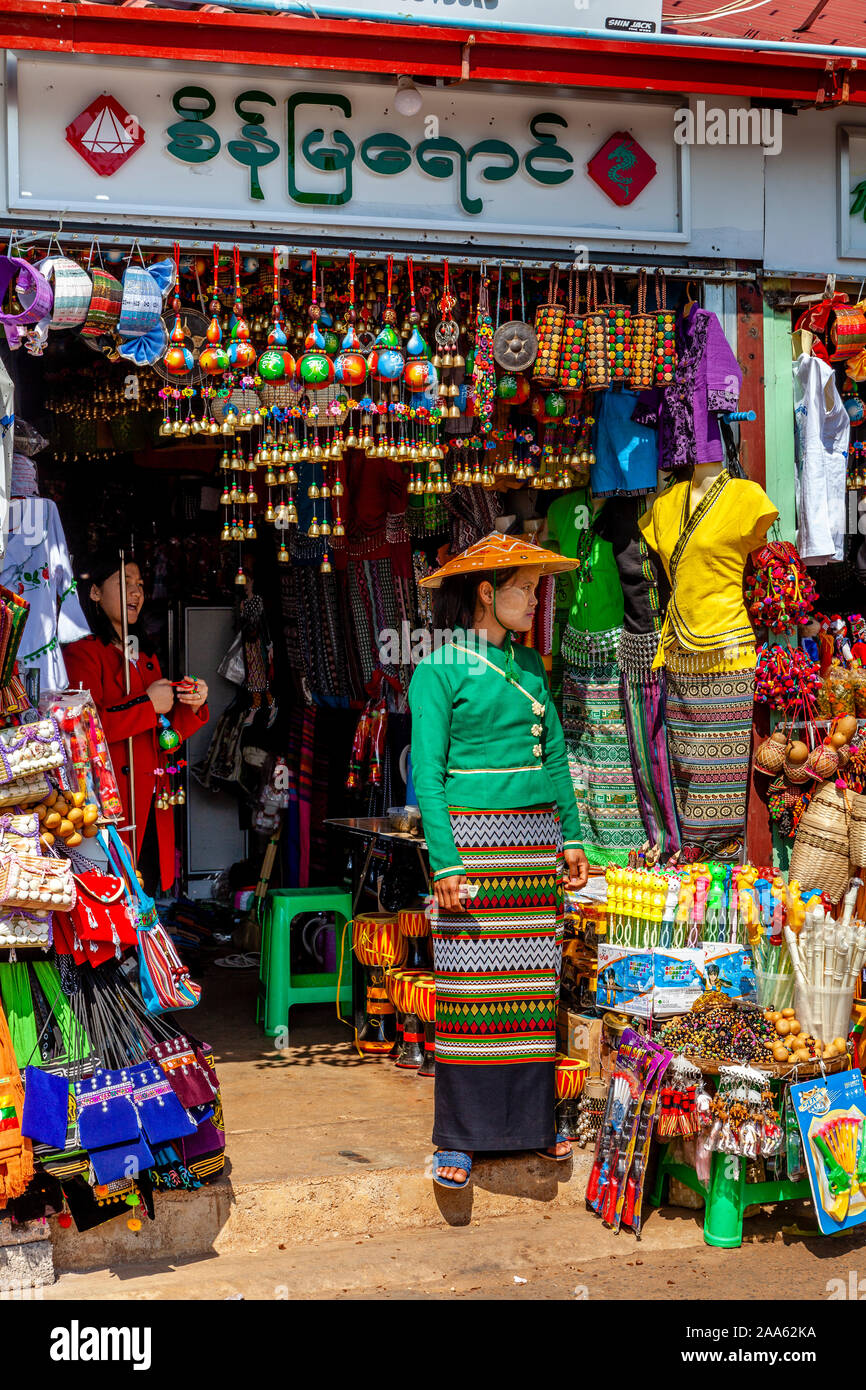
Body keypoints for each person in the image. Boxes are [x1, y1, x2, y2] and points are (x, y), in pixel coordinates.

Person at [408, 532, 589, 1189]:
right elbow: (428, 778)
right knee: (470, 995)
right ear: (487, 593)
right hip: (472, 849)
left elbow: (555, 755)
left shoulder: (534, 664)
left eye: (538, 589)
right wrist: (446, 864)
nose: (536, 600)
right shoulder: (437, 670)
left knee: (530, 997)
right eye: (526, 589)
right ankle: (459, 1140)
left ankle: (534, 1126)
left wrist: (572, 837)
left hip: (534, 850)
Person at [64, 553, 209, 895]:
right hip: (111, 797)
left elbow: (163, 735)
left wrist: (191, 704)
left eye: (140, 584)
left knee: (147, 889)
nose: (136, 592)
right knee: (116, 889)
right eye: (124, 583)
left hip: (152, 797)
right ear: (95, 592)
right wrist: (147, 704)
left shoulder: (144, 656)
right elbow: (86, 729)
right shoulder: (82, 653)